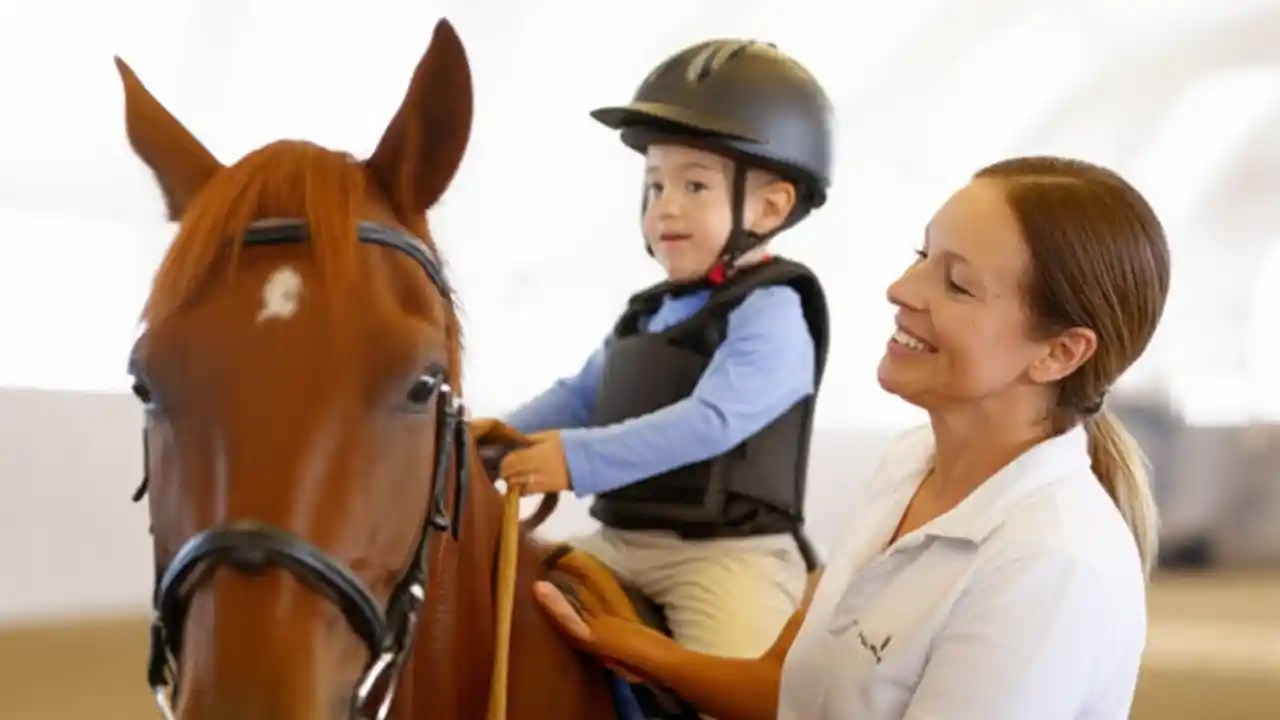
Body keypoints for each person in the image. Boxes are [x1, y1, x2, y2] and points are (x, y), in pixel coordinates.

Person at [532, 155, 1171, 720]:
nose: (900, 289)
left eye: (956, 283)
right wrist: (626, 644)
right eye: (922, 257)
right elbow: (783, 691)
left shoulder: (1050, 566)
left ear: (1060, 353)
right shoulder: (908, 466)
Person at [470, 37, 836, 663]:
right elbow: (582, 395)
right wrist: (487, 438)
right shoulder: (649, 311)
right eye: (656, 184)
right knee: (499, 618)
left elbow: (712, 423)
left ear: (772, 205)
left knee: (726, 687)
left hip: (725, 560)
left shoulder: (775, 311)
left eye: (695, 186)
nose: (666, 206)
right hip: (621, 542)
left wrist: (576, 460)